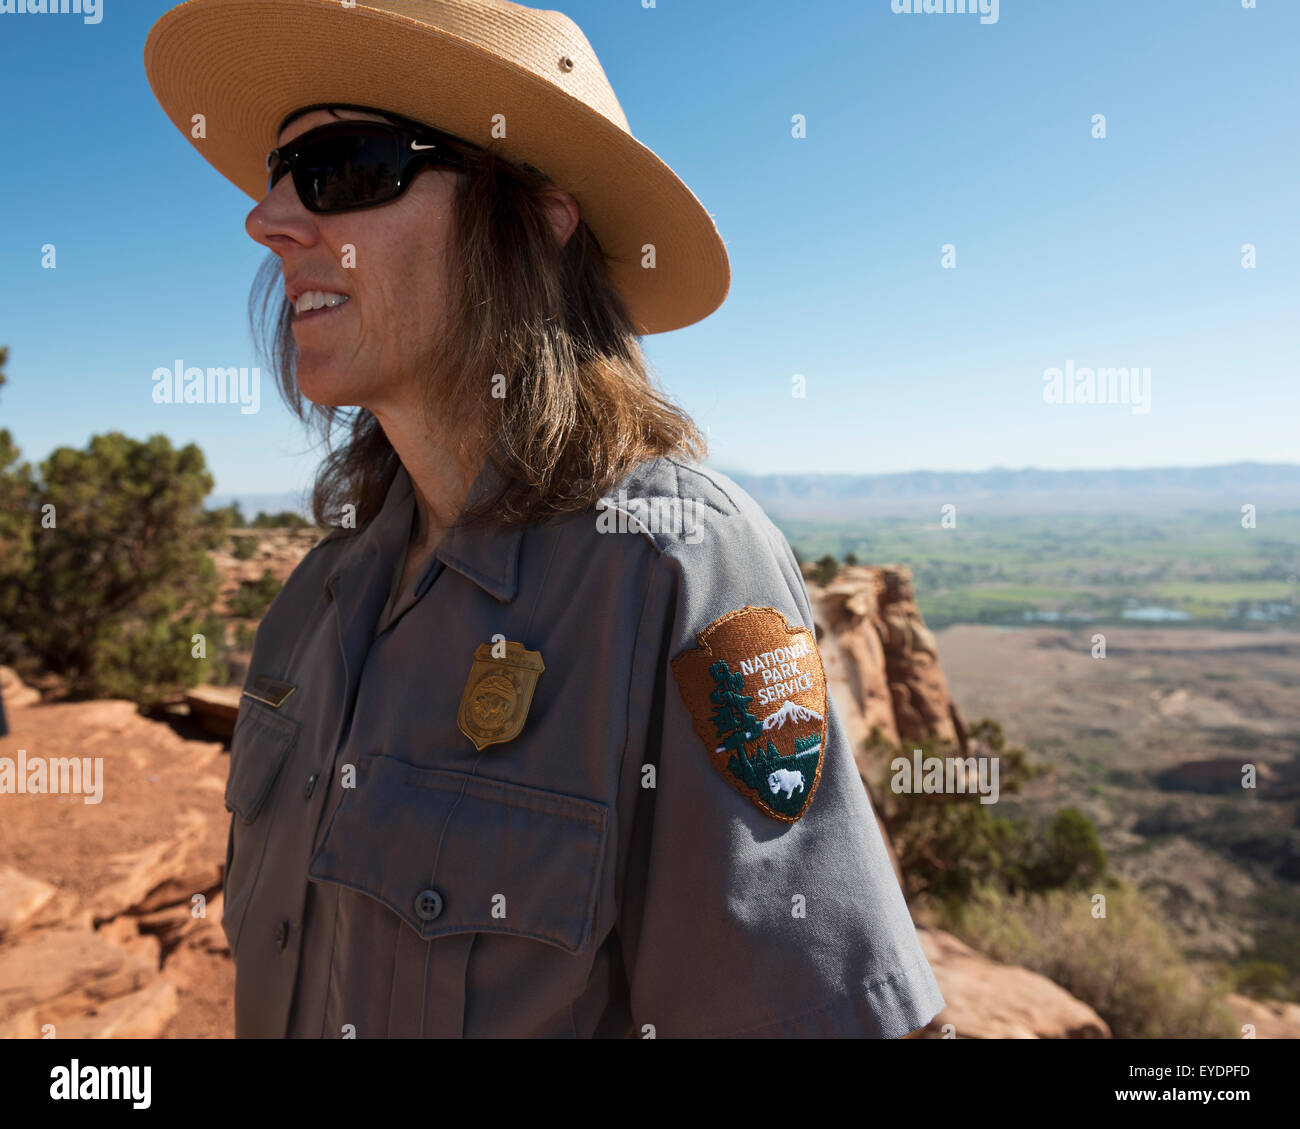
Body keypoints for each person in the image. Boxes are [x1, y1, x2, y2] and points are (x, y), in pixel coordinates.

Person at [144, 0, 946, 1038]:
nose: (269, 220)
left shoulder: (671, 568)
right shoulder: (316, 600)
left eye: (343, 169)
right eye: (276, 176)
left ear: (535, 220)